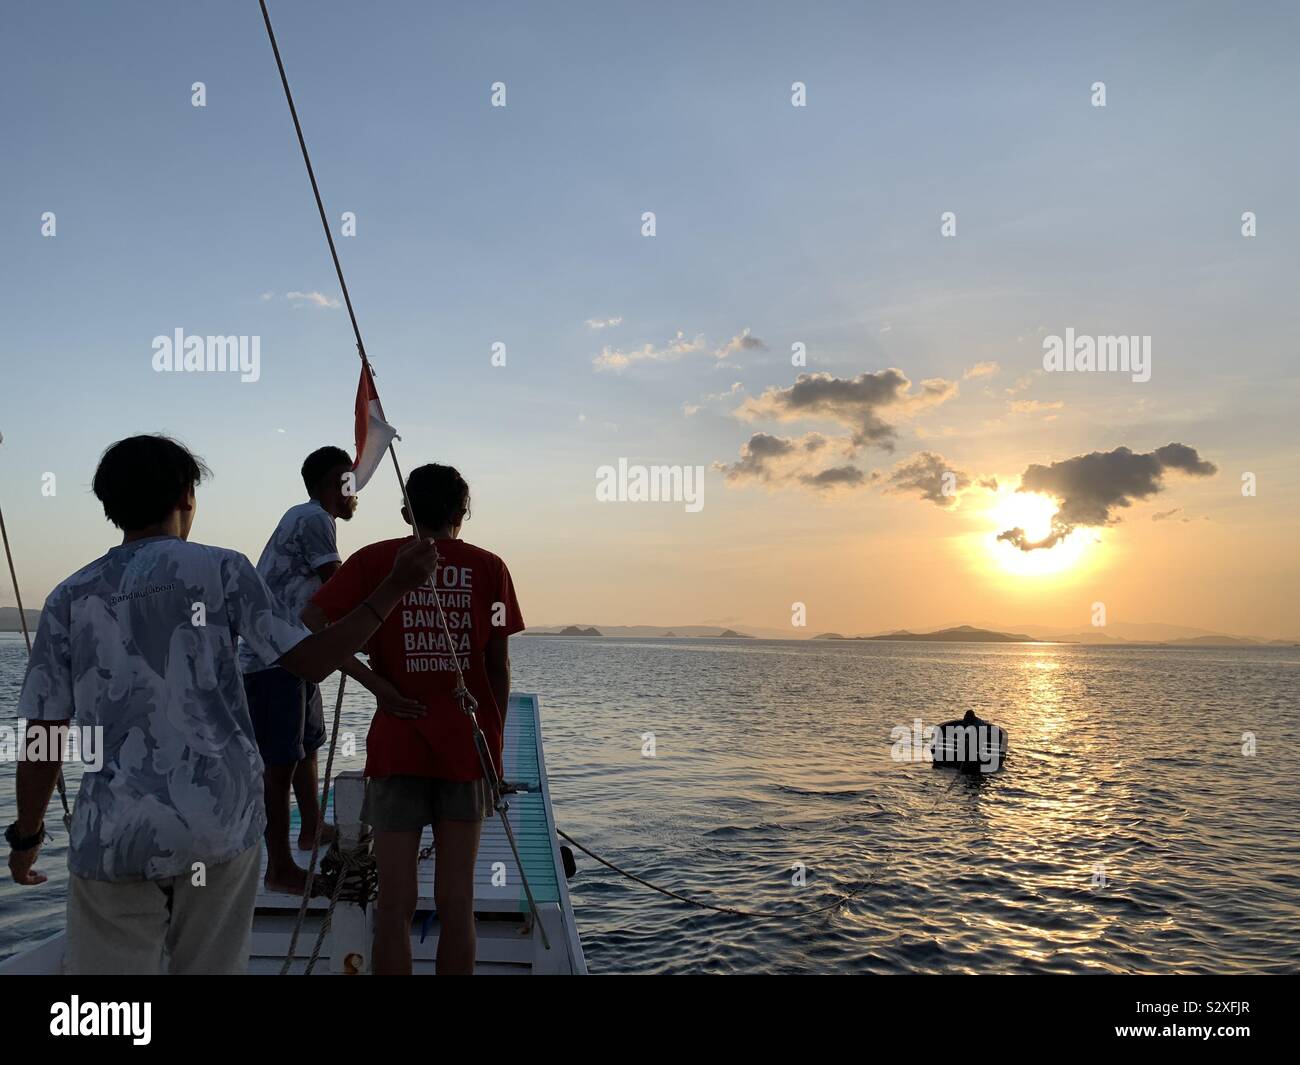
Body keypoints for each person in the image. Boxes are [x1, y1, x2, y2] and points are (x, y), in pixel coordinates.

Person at [6, 434, 440, 975]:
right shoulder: (222, 570)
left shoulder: (69, 597)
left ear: (108, 504)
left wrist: (26, 833)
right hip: (216, 827)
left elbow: (44, 729)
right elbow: (308, 661)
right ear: (188, 496)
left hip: (111, 837)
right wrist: (393, 588)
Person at [304, 463, 524, 975]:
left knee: (393, 904)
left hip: (397, 744)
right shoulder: (490, 568)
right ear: (461, 515)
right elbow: (498, 668)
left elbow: (310, 629)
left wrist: (377, 685)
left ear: (406, 512)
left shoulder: (373, 561)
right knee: (456, 903)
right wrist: (493, 748)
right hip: (466, 751)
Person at [240, 445, 355, 893]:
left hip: (298, 653)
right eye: (349, 483)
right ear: (333, 484)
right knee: (279, 762)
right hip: (273, 660)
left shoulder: (309, 518)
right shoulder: (312, 519)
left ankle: (311, 828)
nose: (355, 492)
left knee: (306, 746)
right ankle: (279, 866)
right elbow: (341, 586)